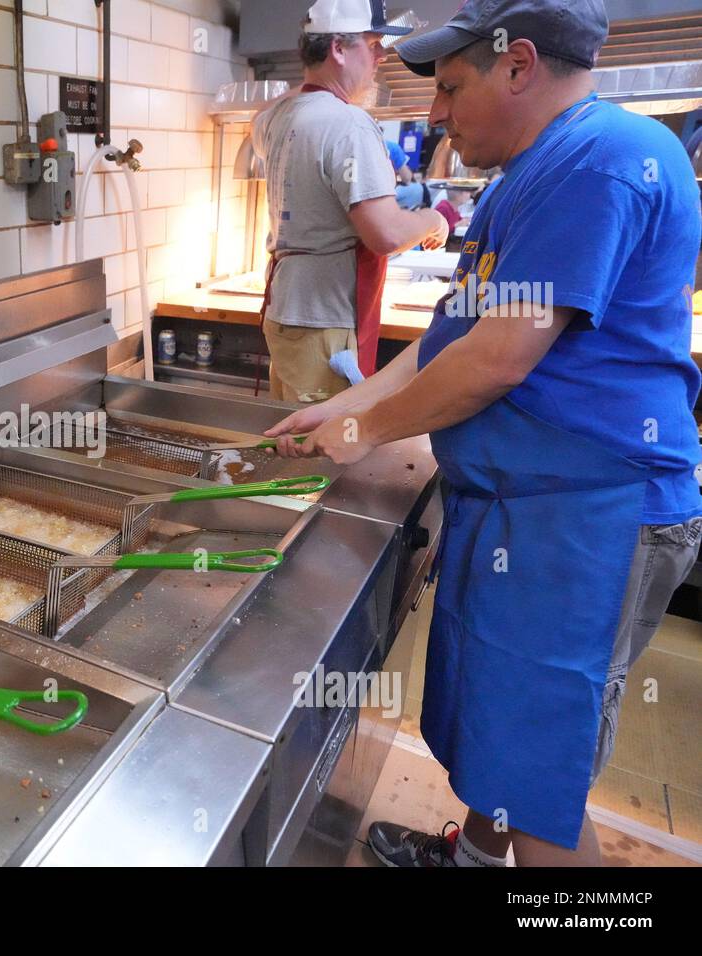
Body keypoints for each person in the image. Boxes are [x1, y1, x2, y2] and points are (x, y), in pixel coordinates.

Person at [267, 0, 702, 867]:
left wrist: (366, 427)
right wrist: (344, 410)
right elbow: (449, 338)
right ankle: (469, 859)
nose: (434, 113)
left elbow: (501, 358)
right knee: (502, 738)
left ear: (519, 65)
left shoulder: (604, 162)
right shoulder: (530, 176)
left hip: (589, 519)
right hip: (526, 509)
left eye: (452, 87)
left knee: (541, 783)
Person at [251, 0, 448, 404]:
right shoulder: (349, 124)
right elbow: (386, 235)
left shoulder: (274, 118)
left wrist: (315, 66)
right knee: (319, 448)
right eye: (373, 44)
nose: (381, 55)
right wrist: (432, 219)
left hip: (285, 312)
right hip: (327, 323)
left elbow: (284, 106)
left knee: (291, 437)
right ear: (338, 49)